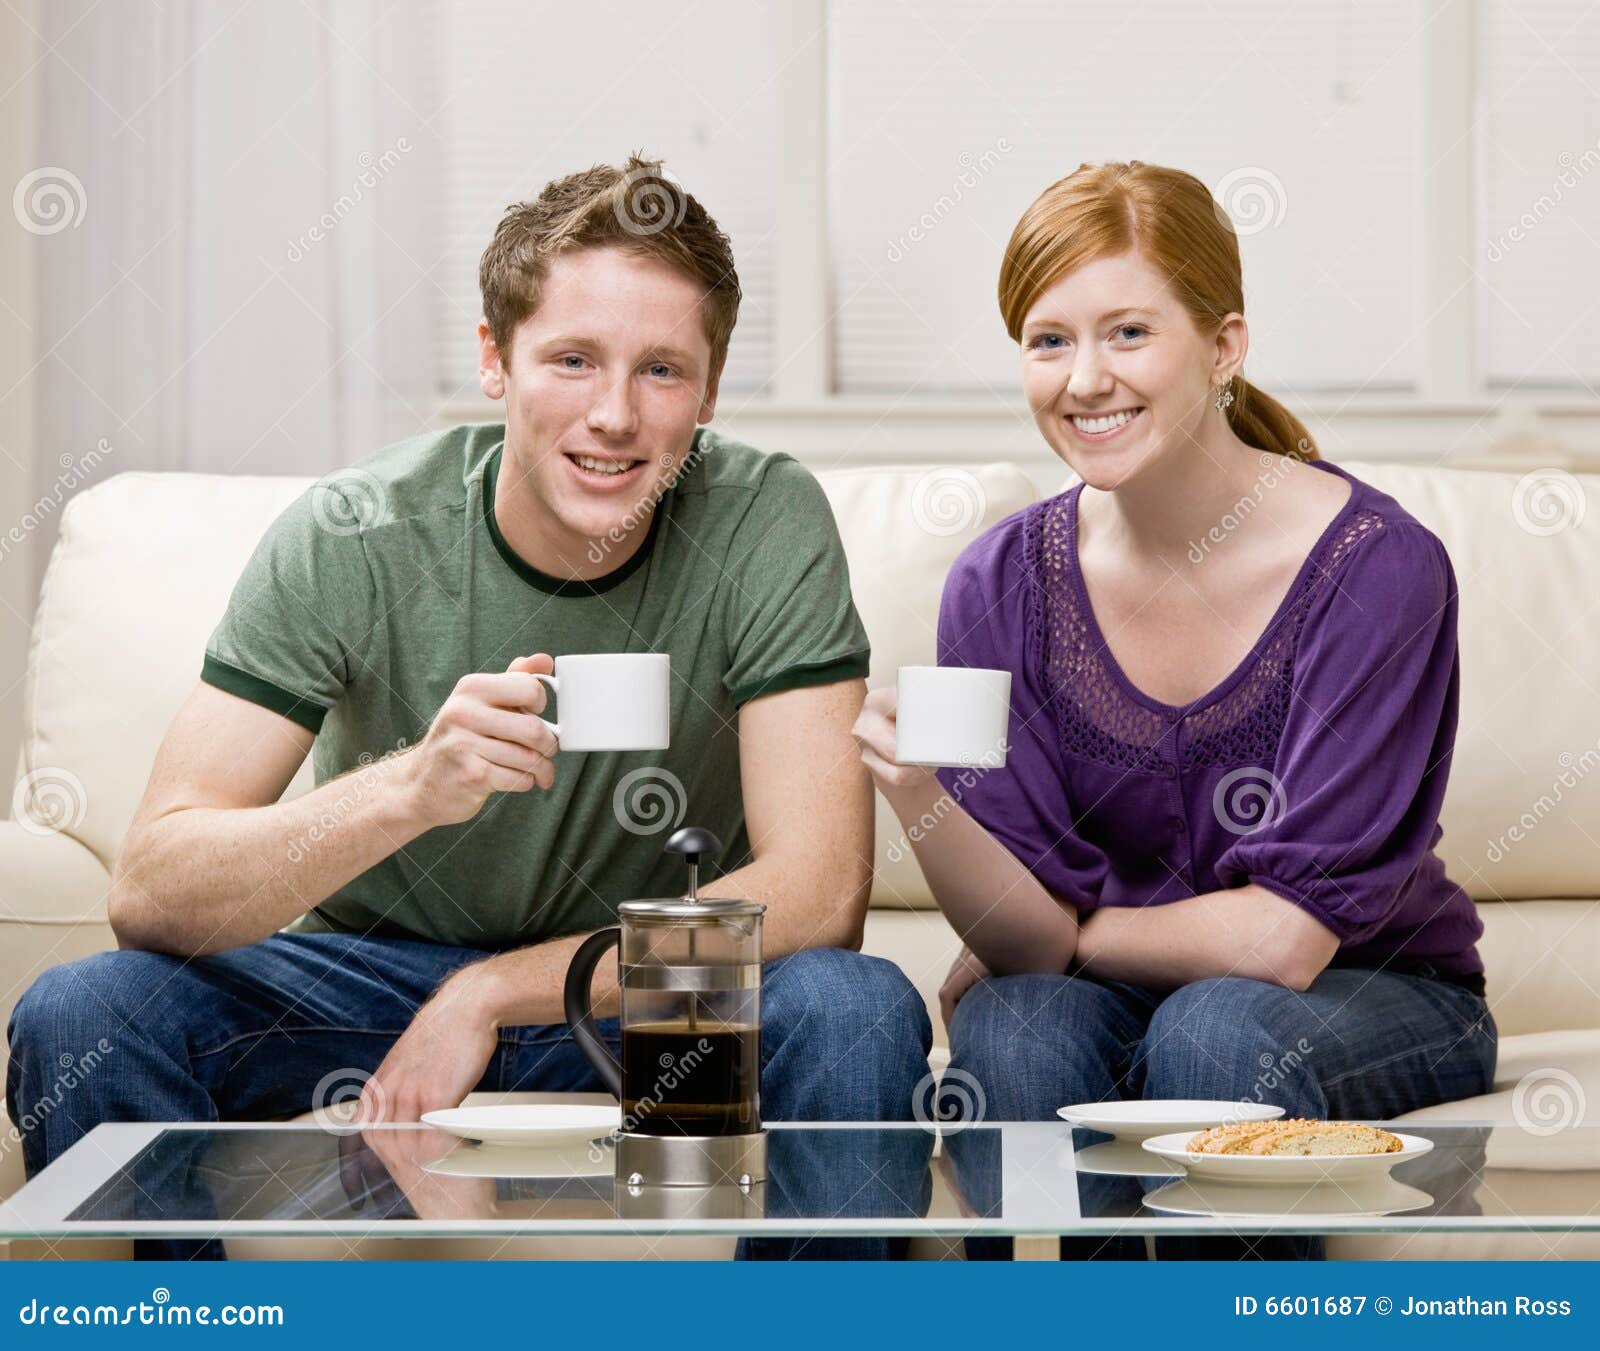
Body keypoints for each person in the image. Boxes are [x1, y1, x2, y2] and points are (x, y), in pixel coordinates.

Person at [7, 154, 931, 1261]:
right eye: (573, 360)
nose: (614, 415)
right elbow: (153, 890)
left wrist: (494, 992)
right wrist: (410, 788)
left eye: (662, 371)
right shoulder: (355, 533)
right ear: (494, 359)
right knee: (84, 1012)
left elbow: (819, 889)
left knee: (855, 1003)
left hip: (649, 989)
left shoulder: (762, 520)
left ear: (713, 387)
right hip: (371, 976)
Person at [850, 160, 1497, 1261]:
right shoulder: (998, 582)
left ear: (1223, 346)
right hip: (1122, 994)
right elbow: (1016, 946)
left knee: (1216, 1026)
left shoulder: (1378, 570)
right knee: (1014, 1026)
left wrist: (1073, 936)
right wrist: (922, 800)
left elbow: (1282, 946)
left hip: (1365, 992)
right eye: (1048, 340)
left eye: (1127, 333)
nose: (1083, 378)